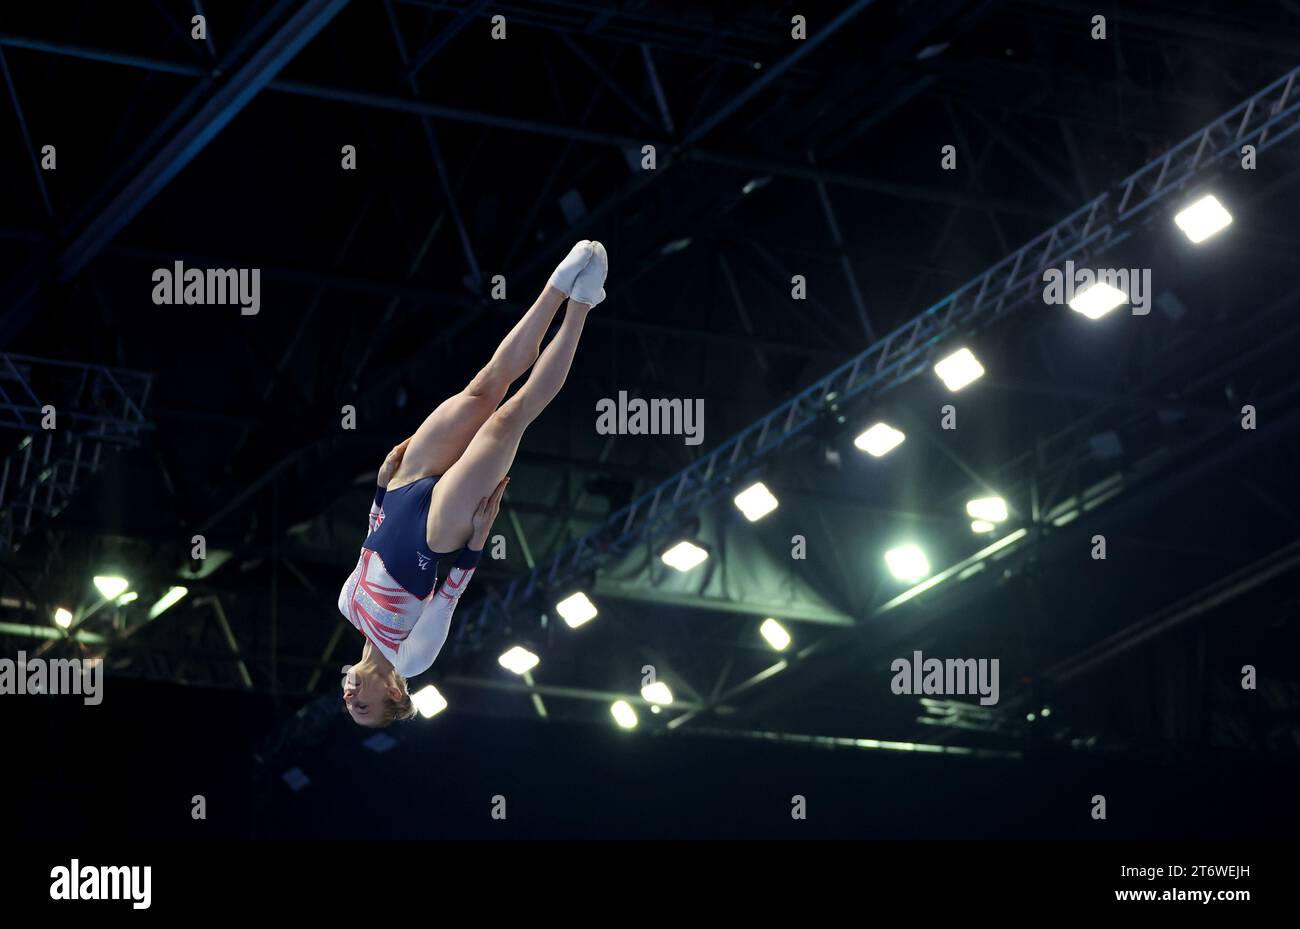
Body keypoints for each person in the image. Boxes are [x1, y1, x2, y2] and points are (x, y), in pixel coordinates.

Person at [337, 240, 609, 726]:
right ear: (393, 695)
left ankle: (556, 288)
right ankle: (584, 304)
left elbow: (368, 545)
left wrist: (380, 489)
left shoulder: (348, 607)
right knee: (509, 418)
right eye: (363, 707)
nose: (351, 697)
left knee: (483, 388)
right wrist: (477, 543)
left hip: (400, 494)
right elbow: (448, 598)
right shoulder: (412, 659)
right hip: (436, 534)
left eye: (348, 704)